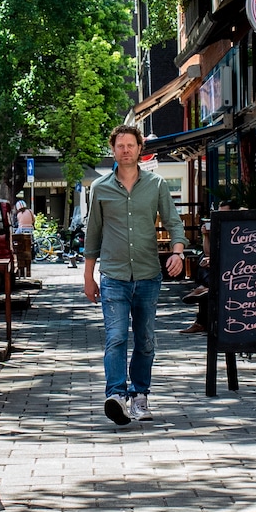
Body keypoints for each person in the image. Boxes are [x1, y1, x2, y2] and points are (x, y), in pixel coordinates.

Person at [81, 125, 183, 426]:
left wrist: (177, 252)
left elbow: (174, 222)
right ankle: (116, 395)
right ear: (113, 150)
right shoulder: (100, 188)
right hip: (113, 276)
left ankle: (140, 396)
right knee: (115, 337)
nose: (125, 150)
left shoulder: (156, 184)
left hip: (148, 275)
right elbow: (93, 235)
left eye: (130, 145)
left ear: (140, 149)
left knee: (145, 339)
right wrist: (89, 276)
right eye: (120, 145)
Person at [13, 197, 36, 276]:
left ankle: (15, 245)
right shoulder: (30, 211)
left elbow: (19, 223)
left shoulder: (19, 214)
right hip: (30, 229)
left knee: (15, 236)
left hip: (22, 228)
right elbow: (33, 220)